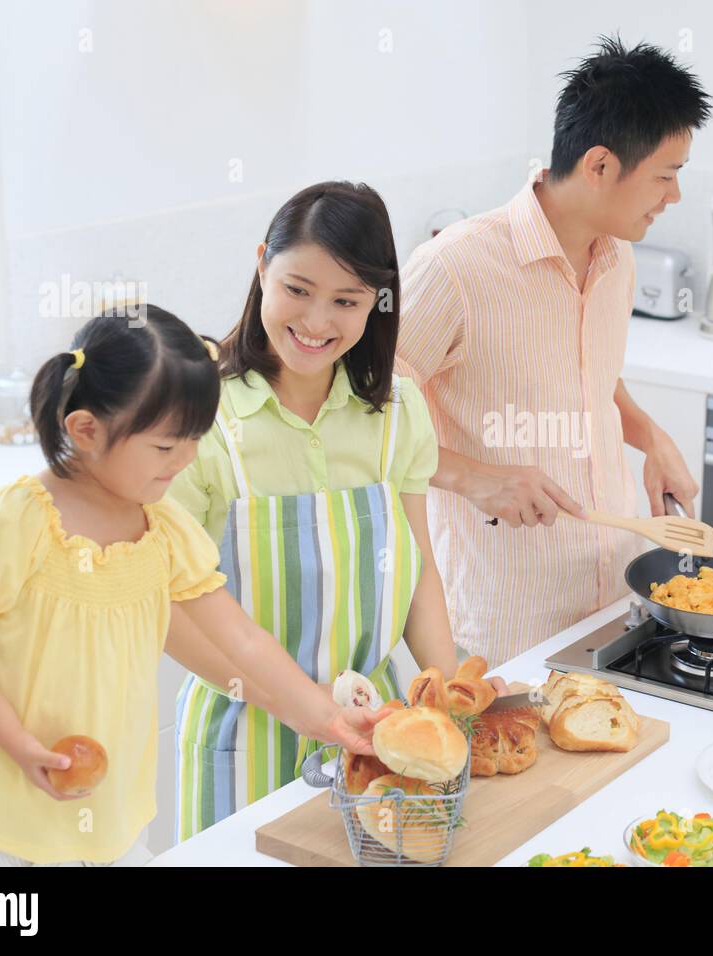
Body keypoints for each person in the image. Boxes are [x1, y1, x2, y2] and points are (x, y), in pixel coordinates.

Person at [0, 306, 385, 866]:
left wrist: (327, 717)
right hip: (9, 819)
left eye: (194, 442)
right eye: (166, 448)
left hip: (112, 815)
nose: (185, 462)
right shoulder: (20, 521)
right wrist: (20, 746)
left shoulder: (162, 528)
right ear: (86, 430)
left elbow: (244, 642)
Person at [166, 182, 505, 840]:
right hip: (242, 741)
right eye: (297, 289)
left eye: (345, 301)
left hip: (372, 737)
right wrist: (301, 707)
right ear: (263, 263)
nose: (317, 322)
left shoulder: (399, 412)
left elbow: (419, 571)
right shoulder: (199, 420)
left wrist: (441, 697)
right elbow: (167, 612)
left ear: (376, 302)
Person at [397, 36, 713, 662]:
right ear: (599, 165)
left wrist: (649, 437)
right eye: (666, 176)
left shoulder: (617, 255)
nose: (673, 196)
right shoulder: (454, 267)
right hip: (505, 620)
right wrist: (474, 478)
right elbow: (363, 411)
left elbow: (593, 378)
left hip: (615, 594)